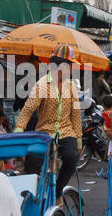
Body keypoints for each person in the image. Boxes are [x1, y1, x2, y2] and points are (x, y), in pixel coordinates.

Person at [14, 45, 83, 193]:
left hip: (66, 132)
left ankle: (58, 192)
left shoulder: (71, 87)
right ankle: (33, 195)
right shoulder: (42, 85)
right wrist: (18, 129)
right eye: (70, 65)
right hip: (44, 132)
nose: (71, 69)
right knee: (32, 164)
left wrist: (78, 138)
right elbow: (28, 109)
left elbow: (76, 114)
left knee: (71, 158)